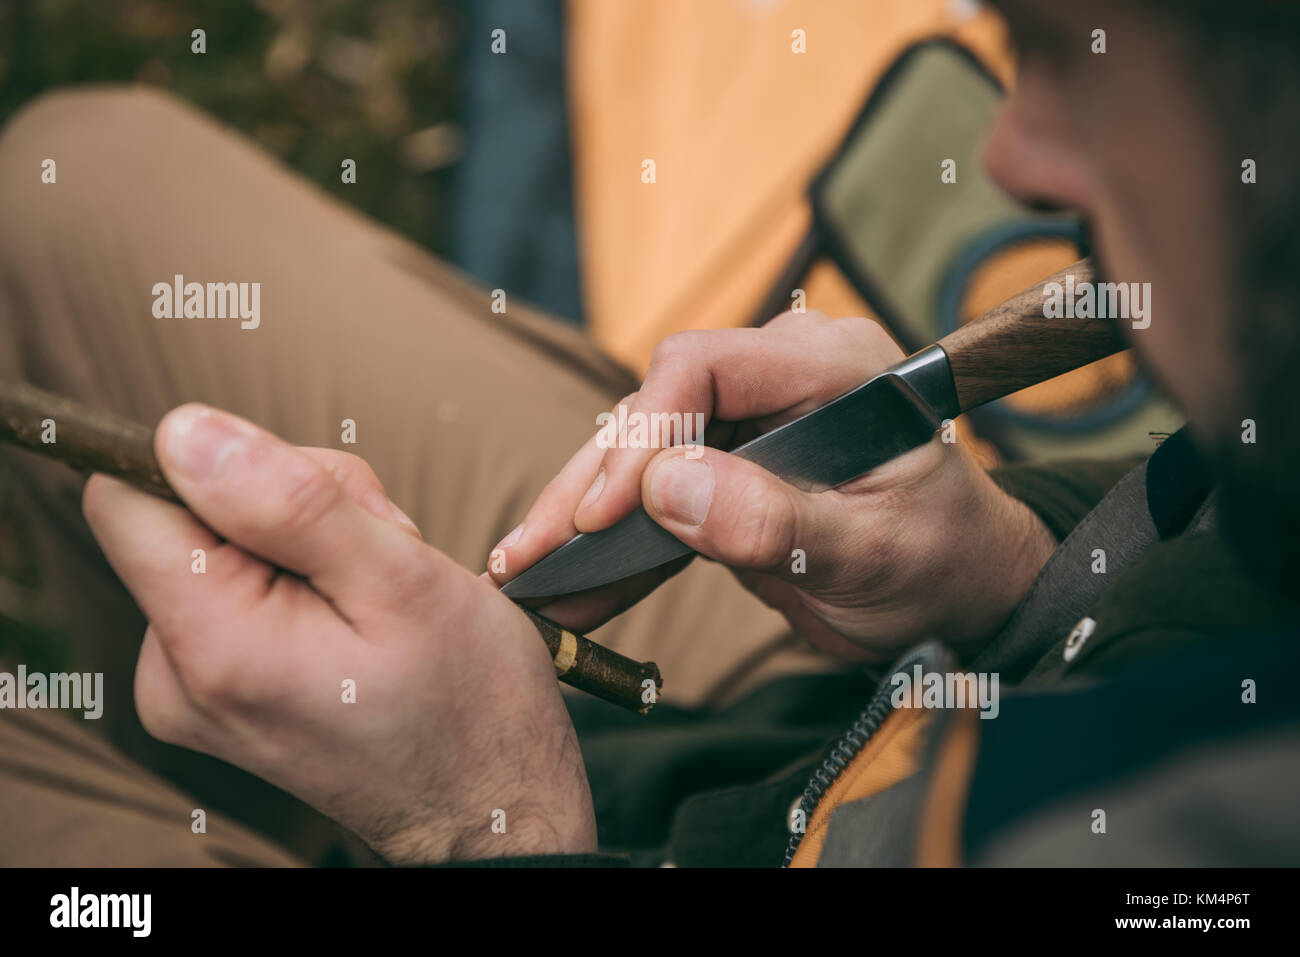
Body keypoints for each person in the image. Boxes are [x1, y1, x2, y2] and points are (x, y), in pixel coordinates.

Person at [1, 0, 1297, 866]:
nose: (1011, 154)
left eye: (1077, 57)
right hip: (817, 726)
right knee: (73, 194)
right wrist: (1011, 570)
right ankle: (250, 780)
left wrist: (485, 814)